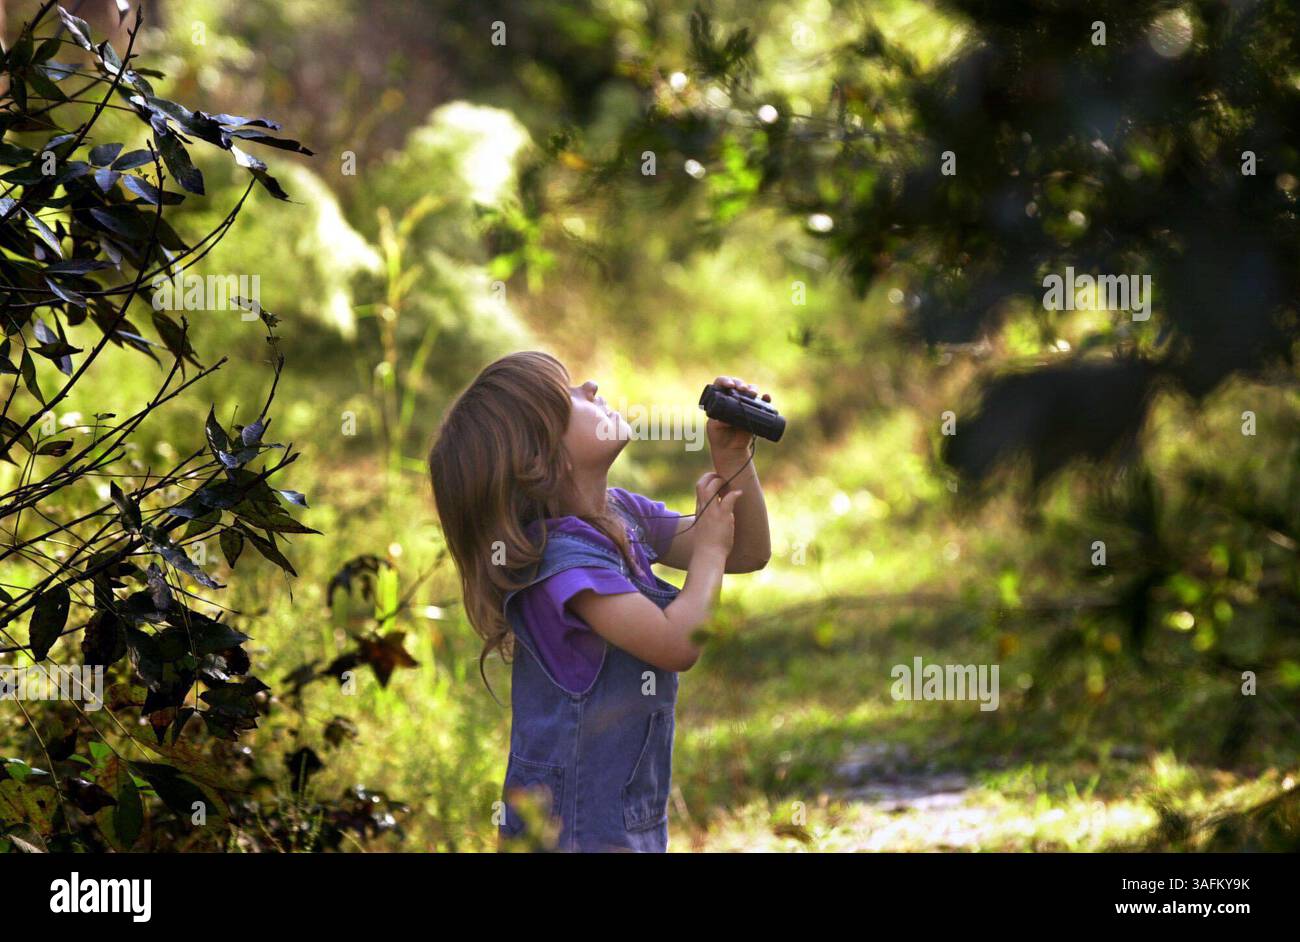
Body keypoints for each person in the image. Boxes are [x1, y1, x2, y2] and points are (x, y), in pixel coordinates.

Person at [428, 351, 771, 851]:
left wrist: (735, 458)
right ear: (539, 458)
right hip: (572, 830)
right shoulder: (563, 569)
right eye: (567, 394)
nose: (588, 385)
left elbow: (748, 551)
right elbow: (677, 643)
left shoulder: (620, 514)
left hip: (620, 815)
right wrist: (710, 549)